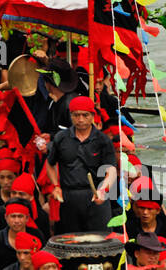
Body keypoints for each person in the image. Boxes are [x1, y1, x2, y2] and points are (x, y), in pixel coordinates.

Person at [45, 96, 117, 233]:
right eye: (76, 115)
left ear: (92, 116)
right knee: (70, 242)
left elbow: (111, 170)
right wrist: (55, 186)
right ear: (71, 116)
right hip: (68, 197)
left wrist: (103, 190)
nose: (81, 119)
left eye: (85, 115)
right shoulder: (61, 138)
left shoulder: (103, 140)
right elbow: (50, 164)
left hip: (95, 195)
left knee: (100, 241)